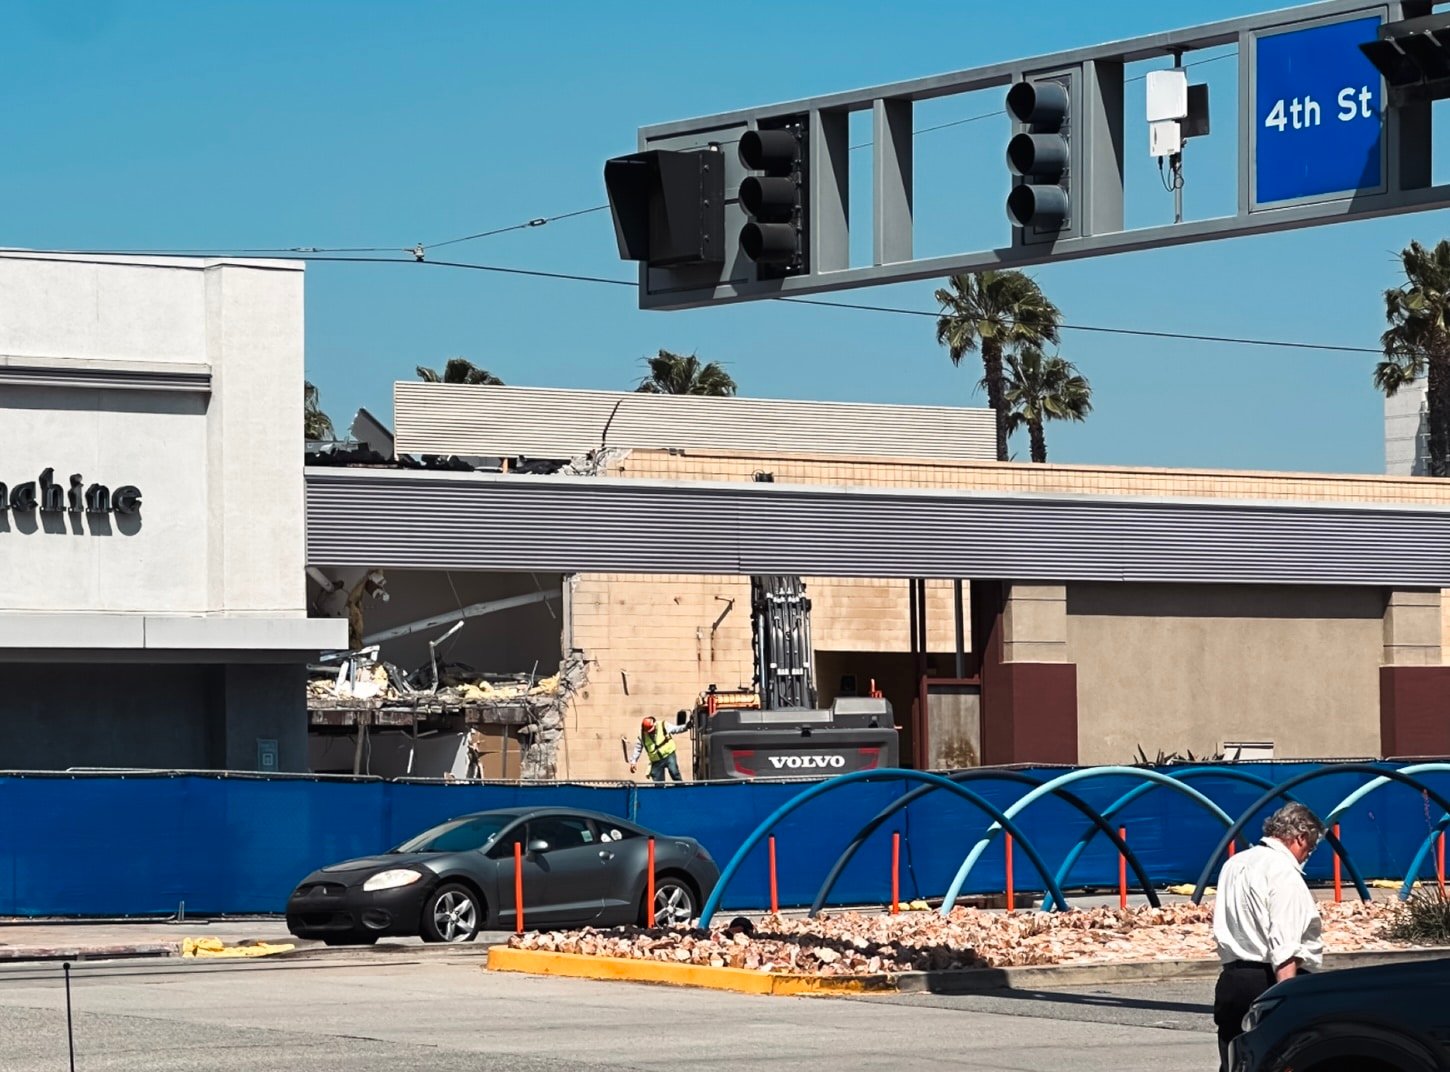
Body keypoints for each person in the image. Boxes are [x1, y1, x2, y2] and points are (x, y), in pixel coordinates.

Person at [1211, 801, 1325, 1072]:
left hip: (1231, 981)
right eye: (1310, 847)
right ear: (1300, 837)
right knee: (1282, 1062)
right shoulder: (1284, 873)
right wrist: (1288, 999)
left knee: (1233, 1063)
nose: (1308, 854)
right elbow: (1283, 945)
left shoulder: (1235, 864)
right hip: (1270, 981)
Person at [628, 713, 689, 783]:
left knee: (674, 773)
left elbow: (675, 729)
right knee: (658, 781)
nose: (650, 732)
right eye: (648, 731)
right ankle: (660, 793)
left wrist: (686, 727)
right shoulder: (642, 734)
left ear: (655, 723)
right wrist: (633, 761)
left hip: (669, 755)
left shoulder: (663, 725)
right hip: (656, 760)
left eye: (651, 730)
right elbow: (638, 748)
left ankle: (681, 790)